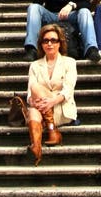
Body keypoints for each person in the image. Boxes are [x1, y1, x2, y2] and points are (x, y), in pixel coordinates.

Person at [25, 24, 77, 166]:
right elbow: (30, 94)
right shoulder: (35, 65)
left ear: (60, 43)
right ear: (41, 44)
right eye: (45, 40)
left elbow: (68, 89)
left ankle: (51, 130)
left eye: (53, 40)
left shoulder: (69, 63)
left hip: (61, 107)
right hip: (42, 109)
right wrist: (33, 102)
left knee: (36, 89)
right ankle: (37, 146)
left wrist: (52, 101)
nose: (49, 44)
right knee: (33, 108)